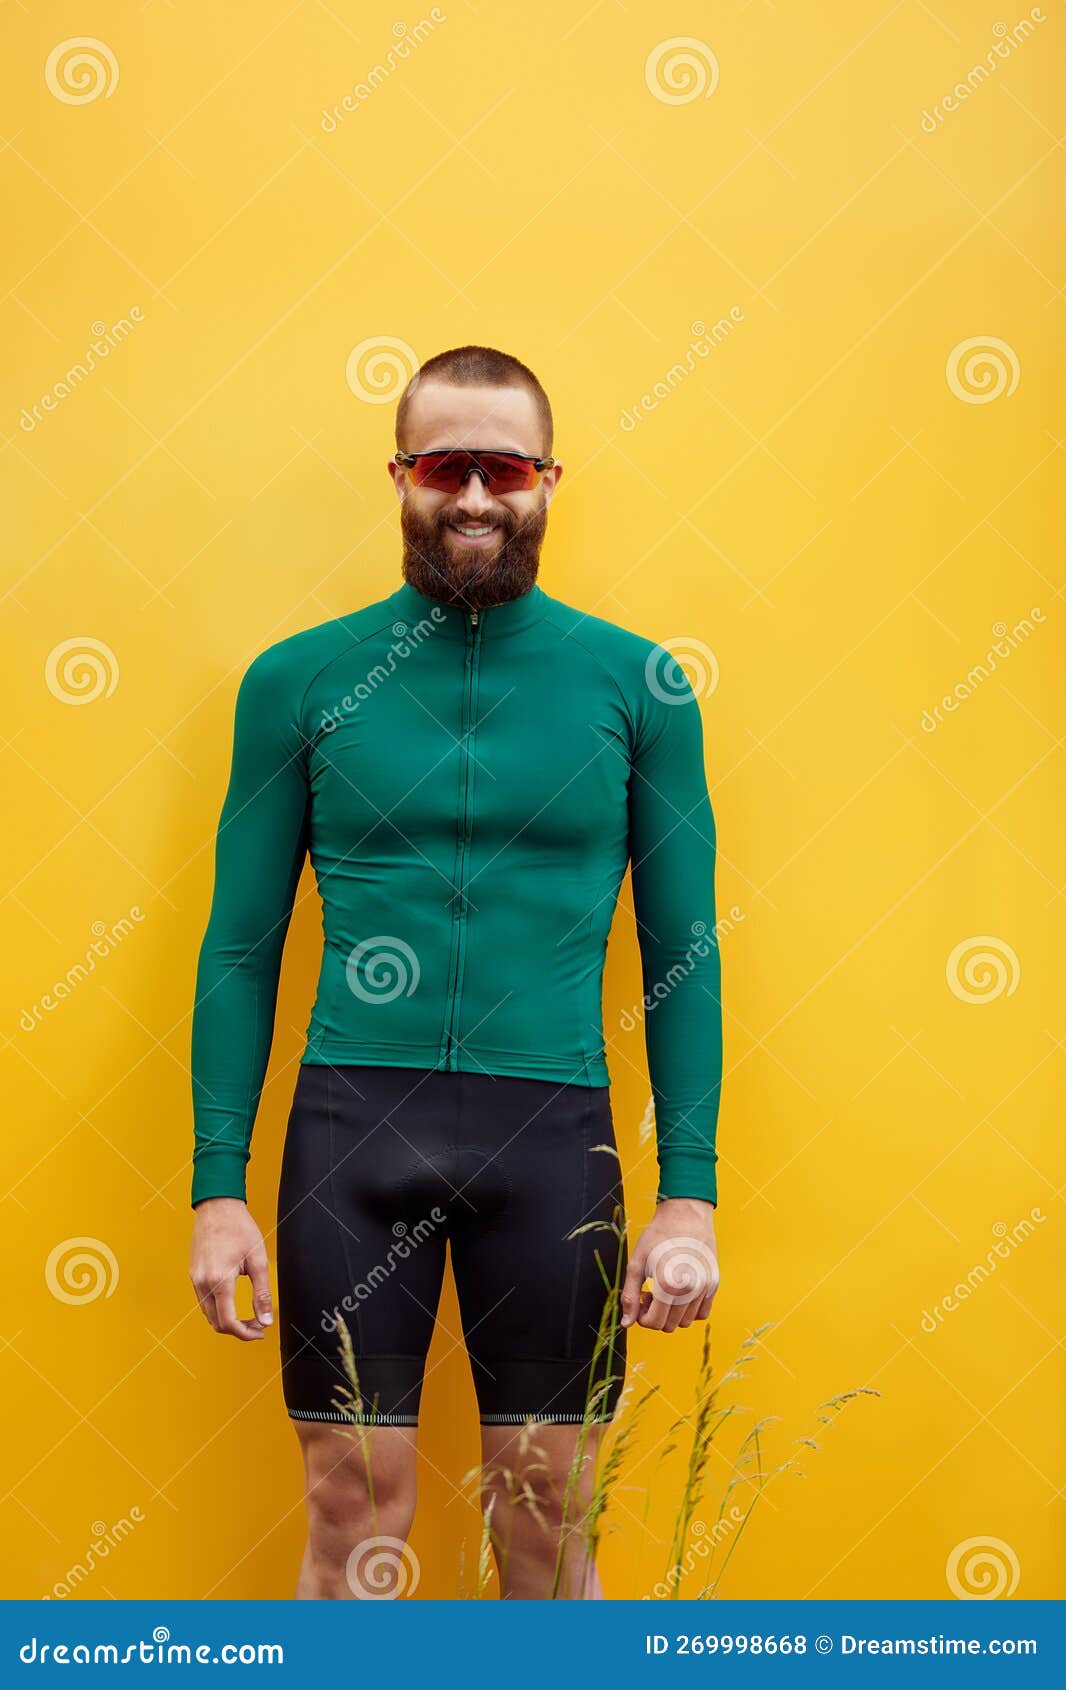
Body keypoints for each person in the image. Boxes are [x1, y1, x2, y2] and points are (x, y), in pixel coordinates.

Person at [188, 346, 722, 1599]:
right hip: (350, 1133)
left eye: (503, 468)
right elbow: (243, 943)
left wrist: (687, 1193)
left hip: (553, 1143)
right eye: (444, 466)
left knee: (548, 1516)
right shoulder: (297, 681)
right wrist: (217, 1186)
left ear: (546, 480)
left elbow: (680, 952)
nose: (474, 495)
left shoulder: (639, 684)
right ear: (401, 477)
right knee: (351, 1515)